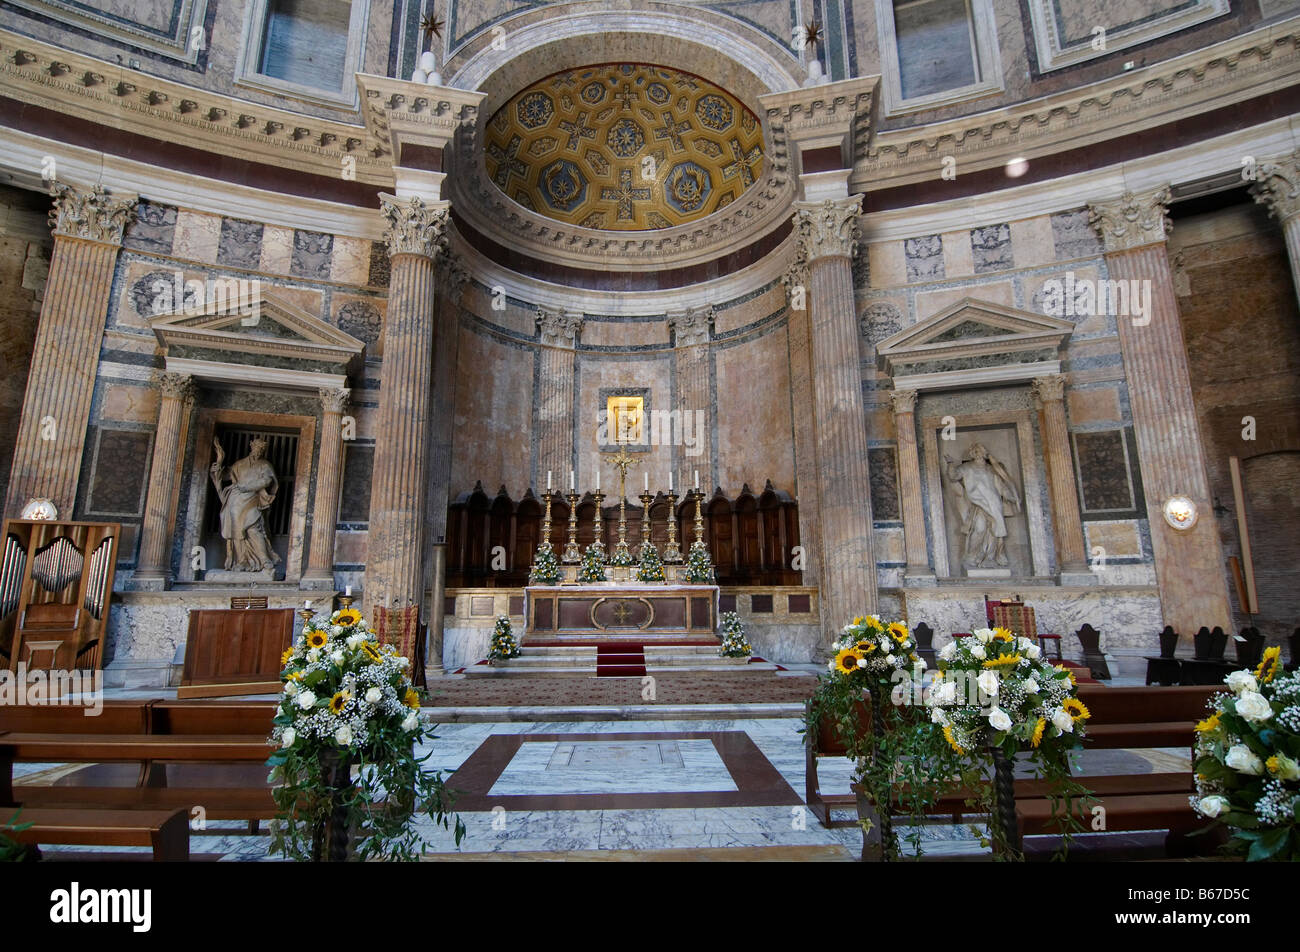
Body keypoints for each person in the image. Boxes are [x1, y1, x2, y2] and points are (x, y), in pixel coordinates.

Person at [943, 442, 1021, 568]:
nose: (977, 454)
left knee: (994, 532)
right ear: (972, 454)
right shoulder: (967, 467)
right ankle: (972, 556)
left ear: (984, 454)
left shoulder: (991, 469)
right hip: (978, 504)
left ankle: (989, 558)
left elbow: (1001, 487)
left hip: (994, 504)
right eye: (975, 451)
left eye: (980, 451)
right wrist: (950, 464)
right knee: (979, 529)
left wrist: (1012, 497)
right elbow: (953, 476)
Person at [210, 436, 281, 572]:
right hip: (235, 500)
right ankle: (242, 561)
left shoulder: (265, 465)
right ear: (252, 447)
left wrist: (248, 487)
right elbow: (226, 475)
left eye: (261, 449)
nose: (258, 451)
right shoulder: (240, 464)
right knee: (236, 530)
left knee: (253, 527)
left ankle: (264, 558)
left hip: (252, 497)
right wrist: (218, 466)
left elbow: (267, 481)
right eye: (257, 448)